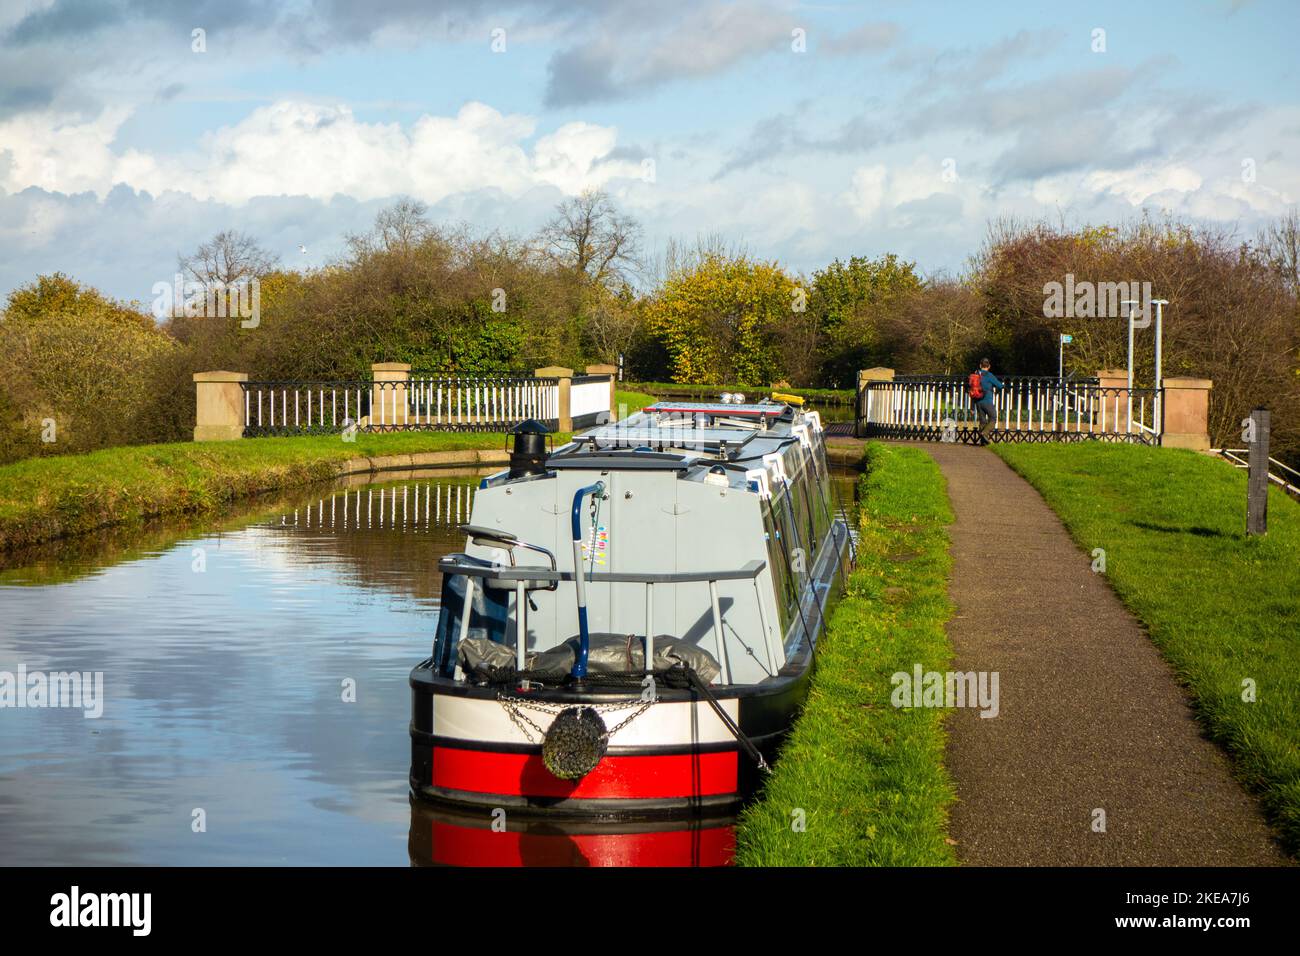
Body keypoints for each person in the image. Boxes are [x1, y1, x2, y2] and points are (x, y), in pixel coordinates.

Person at [970, 358, 1003, 444]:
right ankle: (984, 433)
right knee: (993, 418)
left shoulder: (976, 375)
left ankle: (983, 442)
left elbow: (972, 389)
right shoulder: (989, 375)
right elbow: (999, 385)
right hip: (987, 400)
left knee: (982, 421)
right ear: (989, 366)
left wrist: (972, 406)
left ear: (980, 366)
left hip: (978, 401)